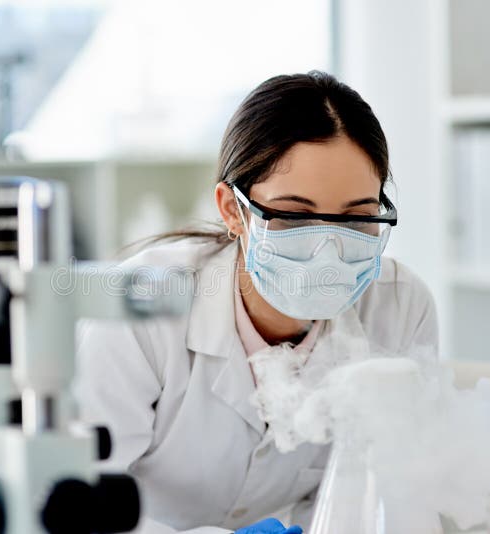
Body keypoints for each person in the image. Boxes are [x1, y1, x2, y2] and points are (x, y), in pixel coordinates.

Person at [74, 70, 438, 533]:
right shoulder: (138, 311)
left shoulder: (401, 309)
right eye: (294, 216)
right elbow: (77, 507)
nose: (328, 250)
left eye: (357, 218)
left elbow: (390, 500)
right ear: (232, 210)